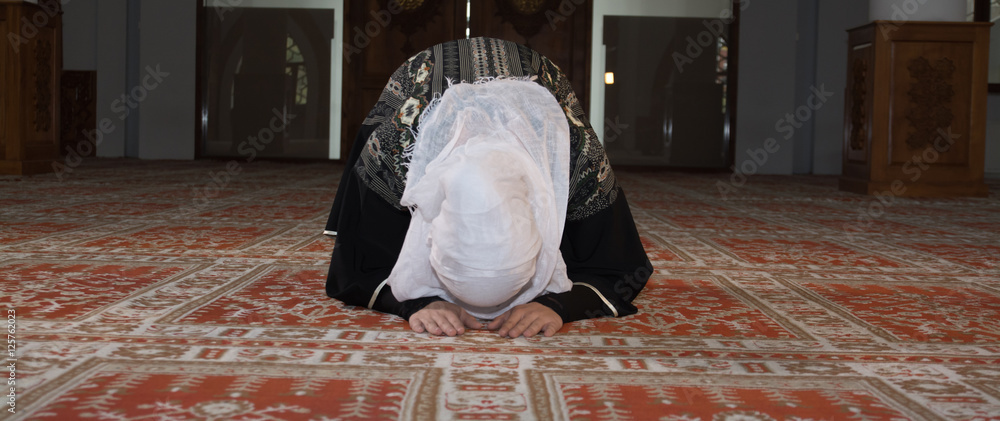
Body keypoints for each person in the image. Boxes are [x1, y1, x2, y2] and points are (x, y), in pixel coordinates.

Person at [324, 37, 651, 338]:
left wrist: (559, 305)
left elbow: (620, 266)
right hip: (426, 74)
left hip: (534, 72)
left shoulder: (580, 162)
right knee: (366, 186)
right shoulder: (393, 156)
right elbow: (356, 265)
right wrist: (414, 303)